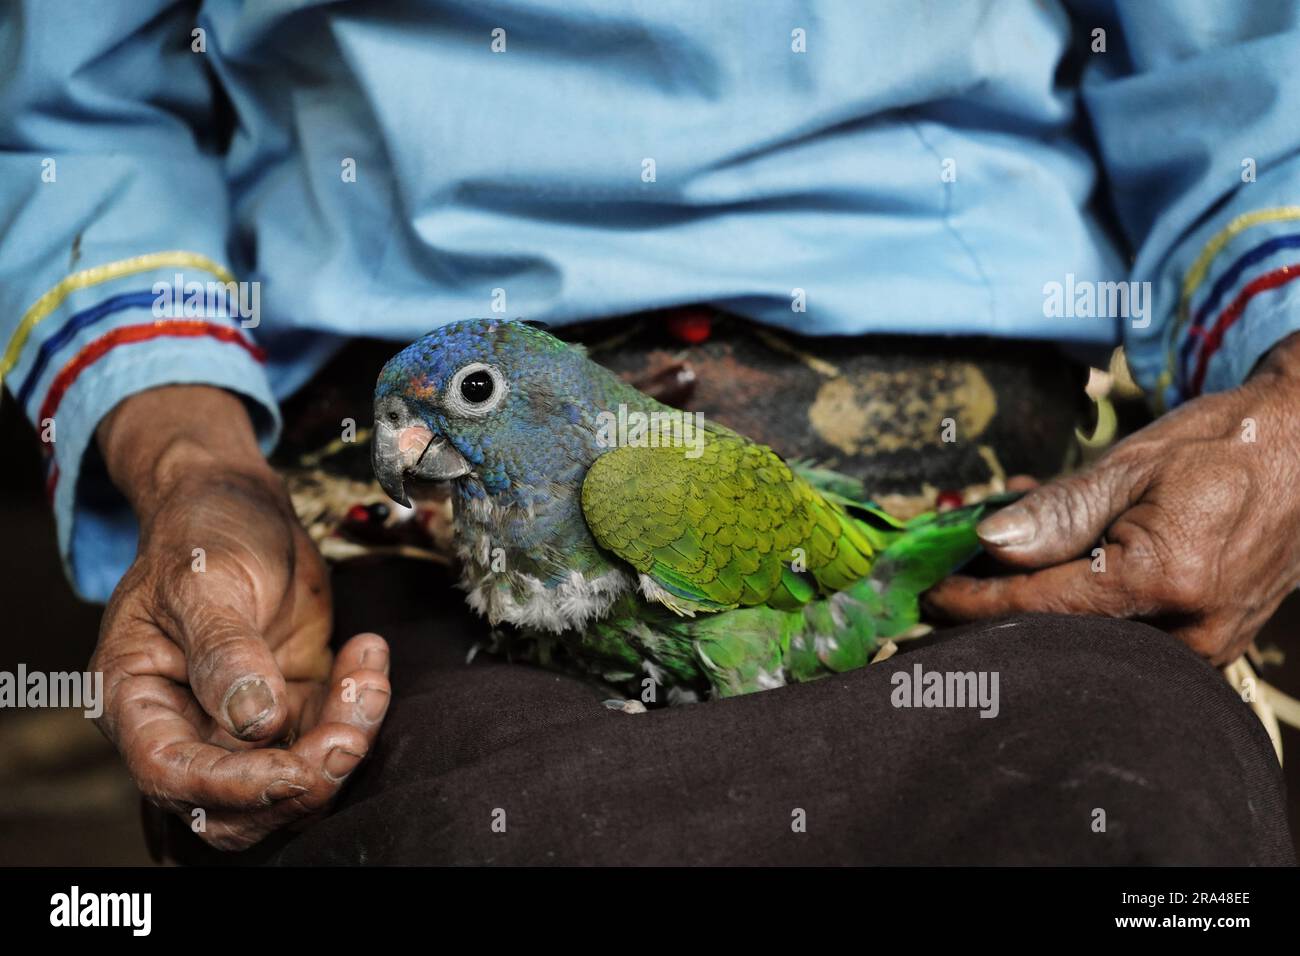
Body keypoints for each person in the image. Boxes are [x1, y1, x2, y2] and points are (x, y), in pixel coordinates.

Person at [1, 0, 1297, 858]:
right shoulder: (435, 512)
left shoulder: (648, 502)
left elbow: (1248, 77)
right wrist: (190, 465)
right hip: (366, 549)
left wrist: (1286, 407)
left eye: (461, 411)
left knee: (1131, 800)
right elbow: (77, 117)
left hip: (987, 479)